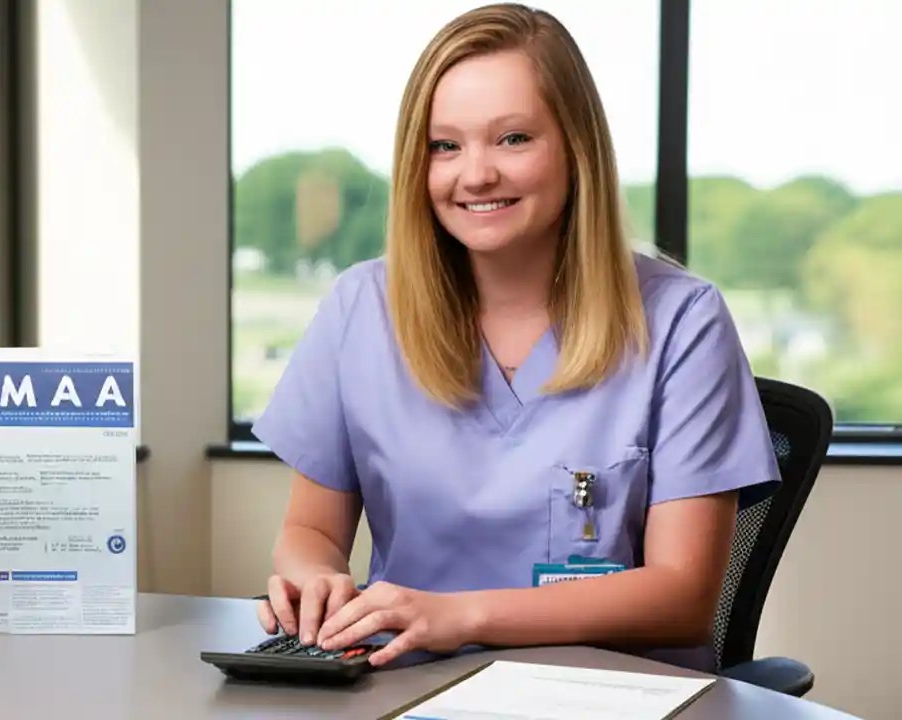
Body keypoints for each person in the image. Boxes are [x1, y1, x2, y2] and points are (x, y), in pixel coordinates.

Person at [250, 2, 780, 674]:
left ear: (576, 147)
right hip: (402, 686)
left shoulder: (682, 321)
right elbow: (311, 532)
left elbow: (681, 595)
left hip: (609, 693)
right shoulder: (361, 308)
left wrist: (460, 616)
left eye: (512, 139)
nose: (475, 174)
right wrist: (314, 578)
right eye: (445, 145)